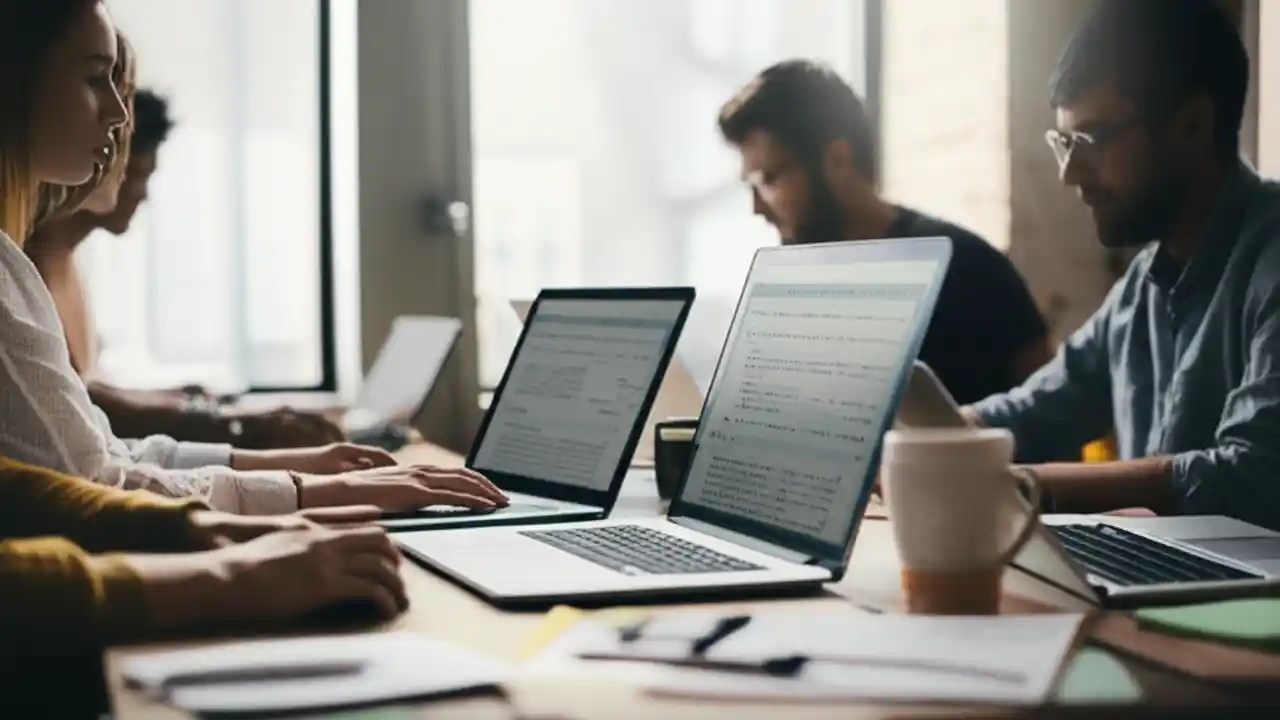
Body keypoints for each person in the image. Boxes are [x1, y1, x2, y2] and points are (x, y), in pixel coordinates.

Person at [0, 2, 508, 516]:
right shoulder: (10, 274)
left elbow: (101, 451)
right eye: (95, 80)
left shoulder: (22, 270)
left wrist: (299, 466)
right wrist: (311, 488)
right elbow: (99, 483)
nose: (119, 118)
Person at [969, 0, 1280, 530]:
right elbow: (1035, 412)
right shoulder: (1144, 283)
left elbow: (1254, 477)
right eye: (1063, 142)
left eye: (1090, 139)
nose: (1071, 173)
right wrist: (927, 436)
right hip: (1173, 586)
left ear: (1193, 125)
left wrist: (1020, 487)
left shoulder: (1269, 256)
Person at [27, 88, 345, 450]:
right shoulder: (30, 261)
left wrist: (191, 399)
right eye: (138, 175)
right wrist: (229, 424)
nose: (142, 194)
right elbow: (80, 403)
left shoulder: (68, 260)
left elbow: (89, 385)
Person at [718, 60, 1051, 405]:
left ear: (837, 159)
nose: (757, 208)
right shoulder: (798, 291)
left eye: (769, 180)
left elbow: (1050, 421)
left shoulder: (966, 268)